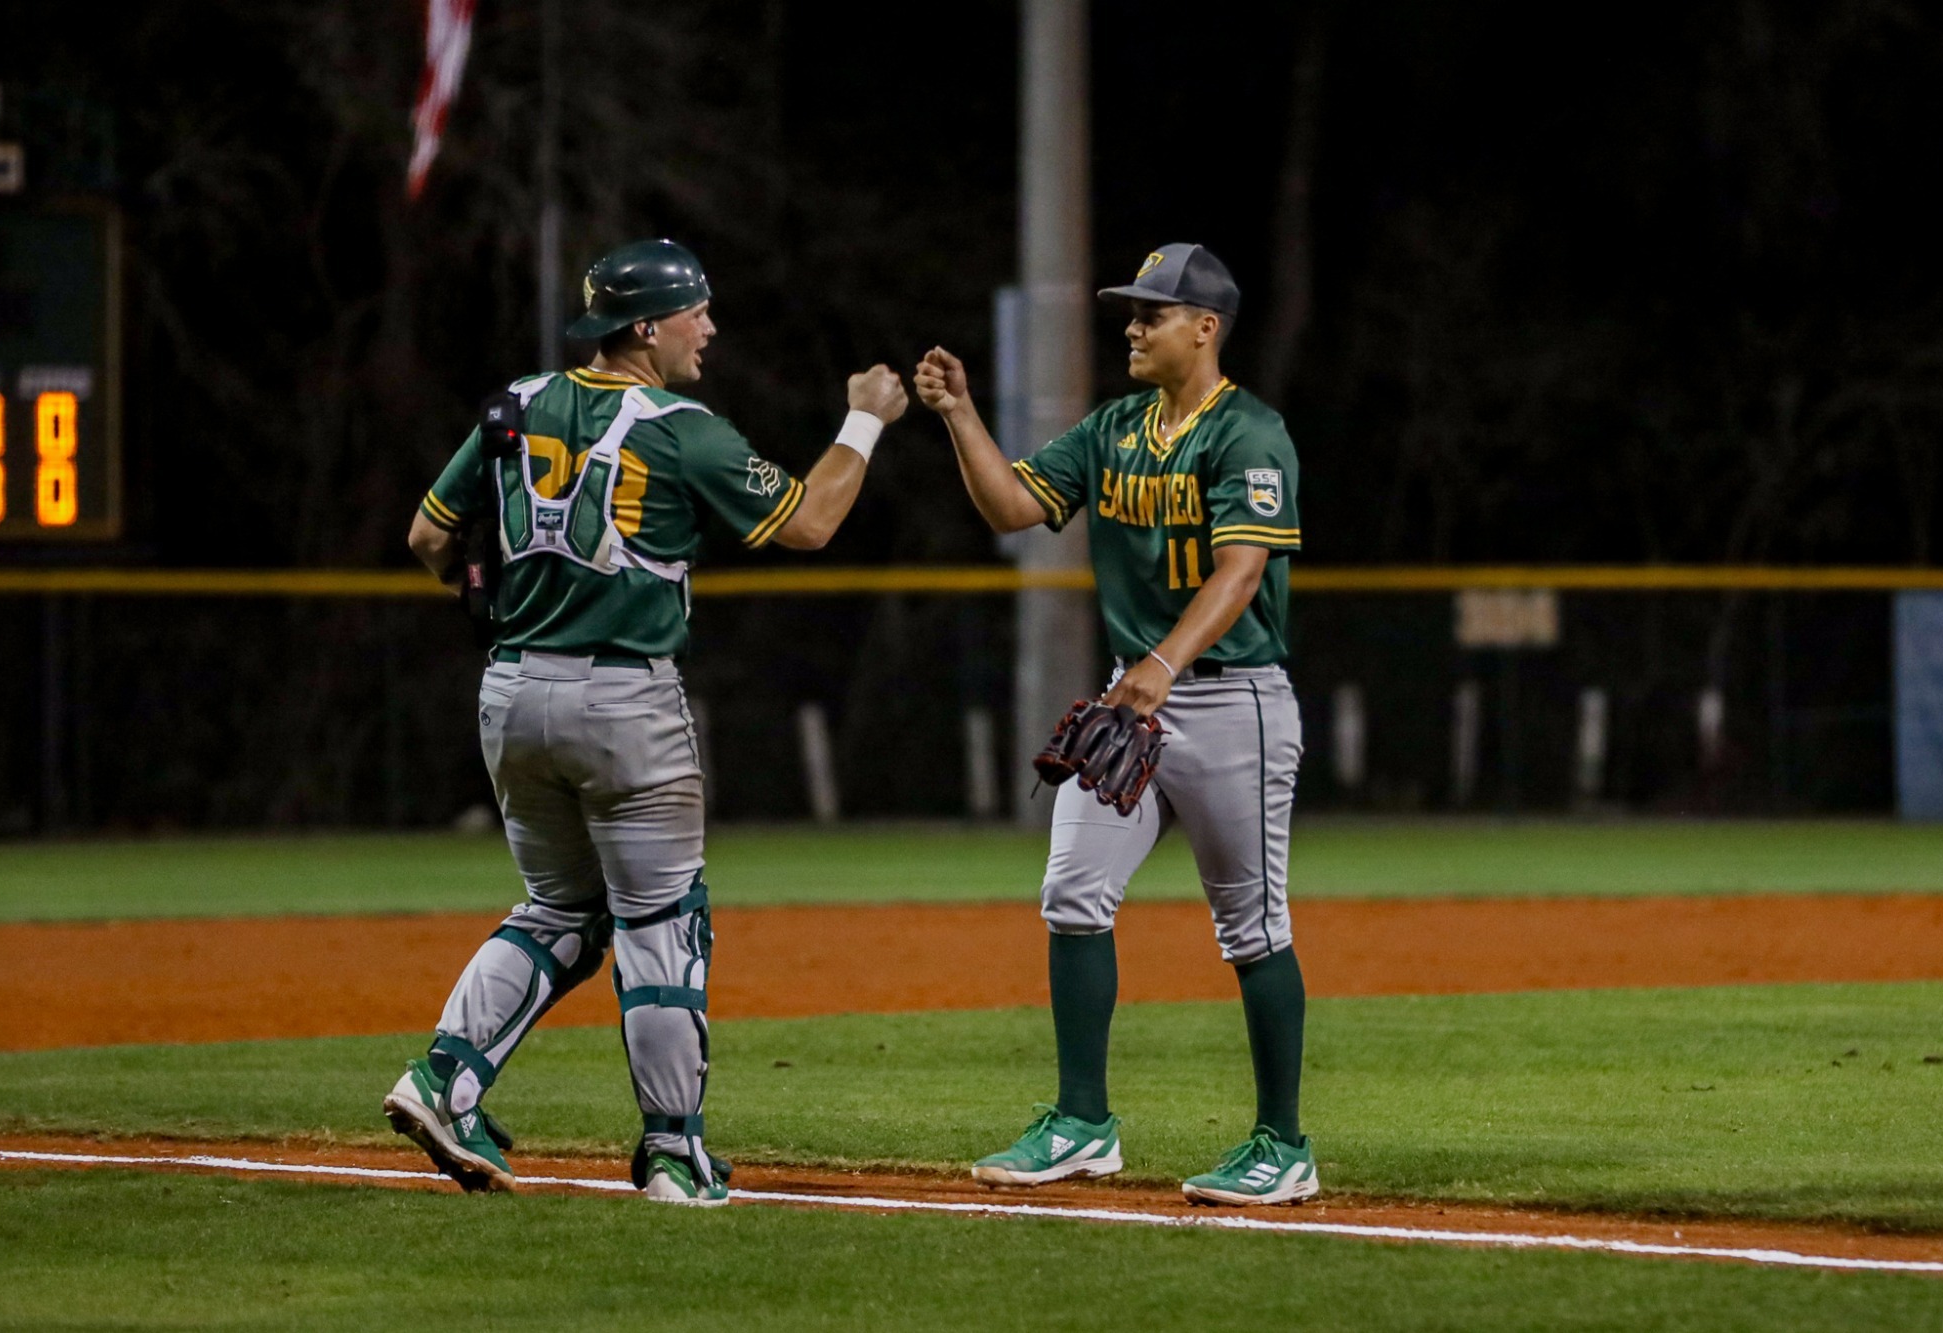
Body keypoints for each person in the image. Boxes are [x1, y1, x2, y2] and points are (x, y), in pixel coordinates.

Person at [389, 238, 907, 1205]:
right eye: (694, 312)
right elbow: (809, 523)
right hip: (626, 699)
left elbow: (427, 535)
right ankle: (674, 1153)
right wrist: (864, 421)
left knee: (561, 910)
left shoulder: (514, 403)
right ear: (643, 328)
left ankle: (442, 1080)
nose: (707, 327)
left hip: (510, 692)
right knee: (661, 922)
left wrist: (485, 596)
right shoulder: (679, 427)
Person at [914, 243, 1314, 1206]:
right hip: (1133, 704)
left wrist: (1162, 664)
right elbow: (1013, 506)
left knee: (1252, 926)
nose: (1132, 328)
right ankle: (1083, 1123)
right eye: (1131, 313)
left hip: (1231, 702)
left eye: (1153, 314)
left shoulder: (1249, 433)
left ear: (1205, 328)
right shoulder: (1113, 430)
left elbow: (1242, 570)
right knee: (1071, 895)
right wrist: (962, 413)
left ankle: (1283, 1144)